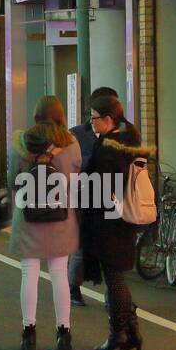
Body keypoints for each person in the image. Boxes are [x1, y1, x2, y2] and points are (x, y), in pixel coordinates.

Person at [82, 94, 155, 350]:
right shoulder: (128, 140)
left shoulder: (109, 147)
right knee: (116, 276)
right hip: (122, 218)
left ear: (108, 119)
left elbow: (104, 186)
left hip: (109, 220)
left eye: (94, 118)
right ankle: (131, 332)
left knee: (113, 278)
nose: (91, 123)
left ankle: (119, 334)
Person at [9, 95, 82, 350]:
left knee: (29, 272)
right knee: (59, 273)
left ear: (36, 115)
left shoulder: (21, 142)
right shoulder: (71, 143)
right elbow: (75, 179)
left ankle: (28, 332)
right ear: (61, 115)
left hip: (28, 216)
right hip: (60, 217)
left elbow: (13, 180)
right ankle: (64, 333)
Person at [67, 86, 120, 306]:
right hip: (84, 197)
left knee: (110, 249)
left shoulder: (120, 134)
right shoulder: (77, 134)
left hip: (111, 197)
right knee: (80, 246)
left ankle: (113, 297)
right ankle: (73, 287)